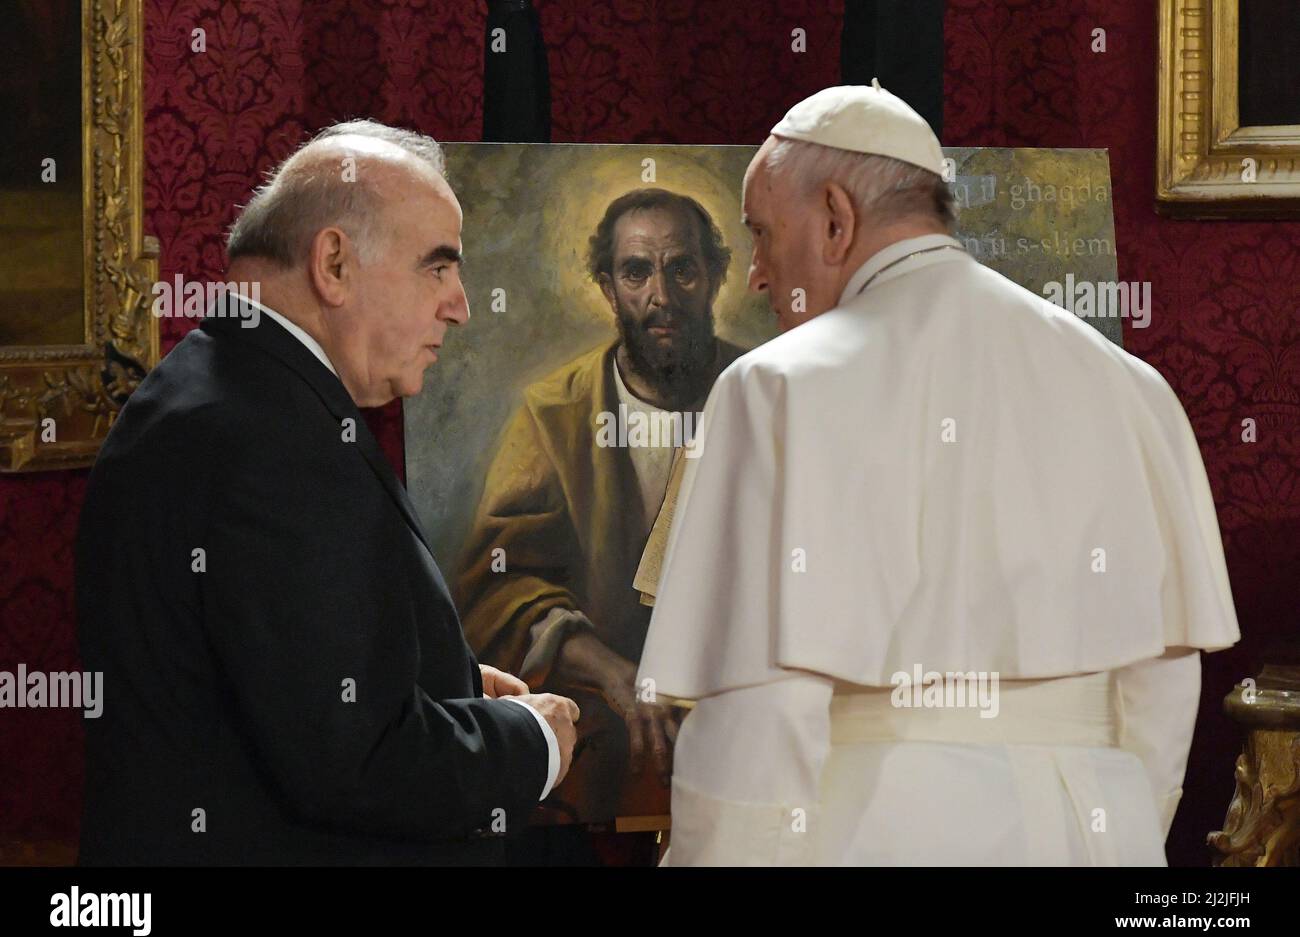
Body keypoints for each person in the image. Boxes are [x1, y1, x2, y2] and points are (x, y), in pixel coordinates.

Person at [637, 84, 1240, 865]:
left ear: (833, 219)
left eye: (761, 233)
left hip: (867, 832)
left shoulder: (774, 388)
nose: (756, 274)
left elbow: (757, 716)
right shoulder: (1130, 384)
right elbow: (1163, 681)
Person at [76, 120, 578, 865]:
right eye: (437, 268)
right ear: (334, 264)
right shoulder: (271, 441)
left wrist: (448, 676)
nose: (461, 306)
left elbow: (281, 670)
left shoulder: (217, 391)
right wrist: (534, 741)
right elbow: (356, 763)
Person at [457, 188, 743, 822]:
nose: (661, 296)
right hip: (598, 749)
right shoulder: (556, 413)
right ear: (609, 289)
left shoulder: (762, 394)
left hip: (745, 736)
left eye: (682, 268)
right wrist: (614, 674)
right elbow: (499, 586)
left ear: (715, 276)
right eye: (637, 271)